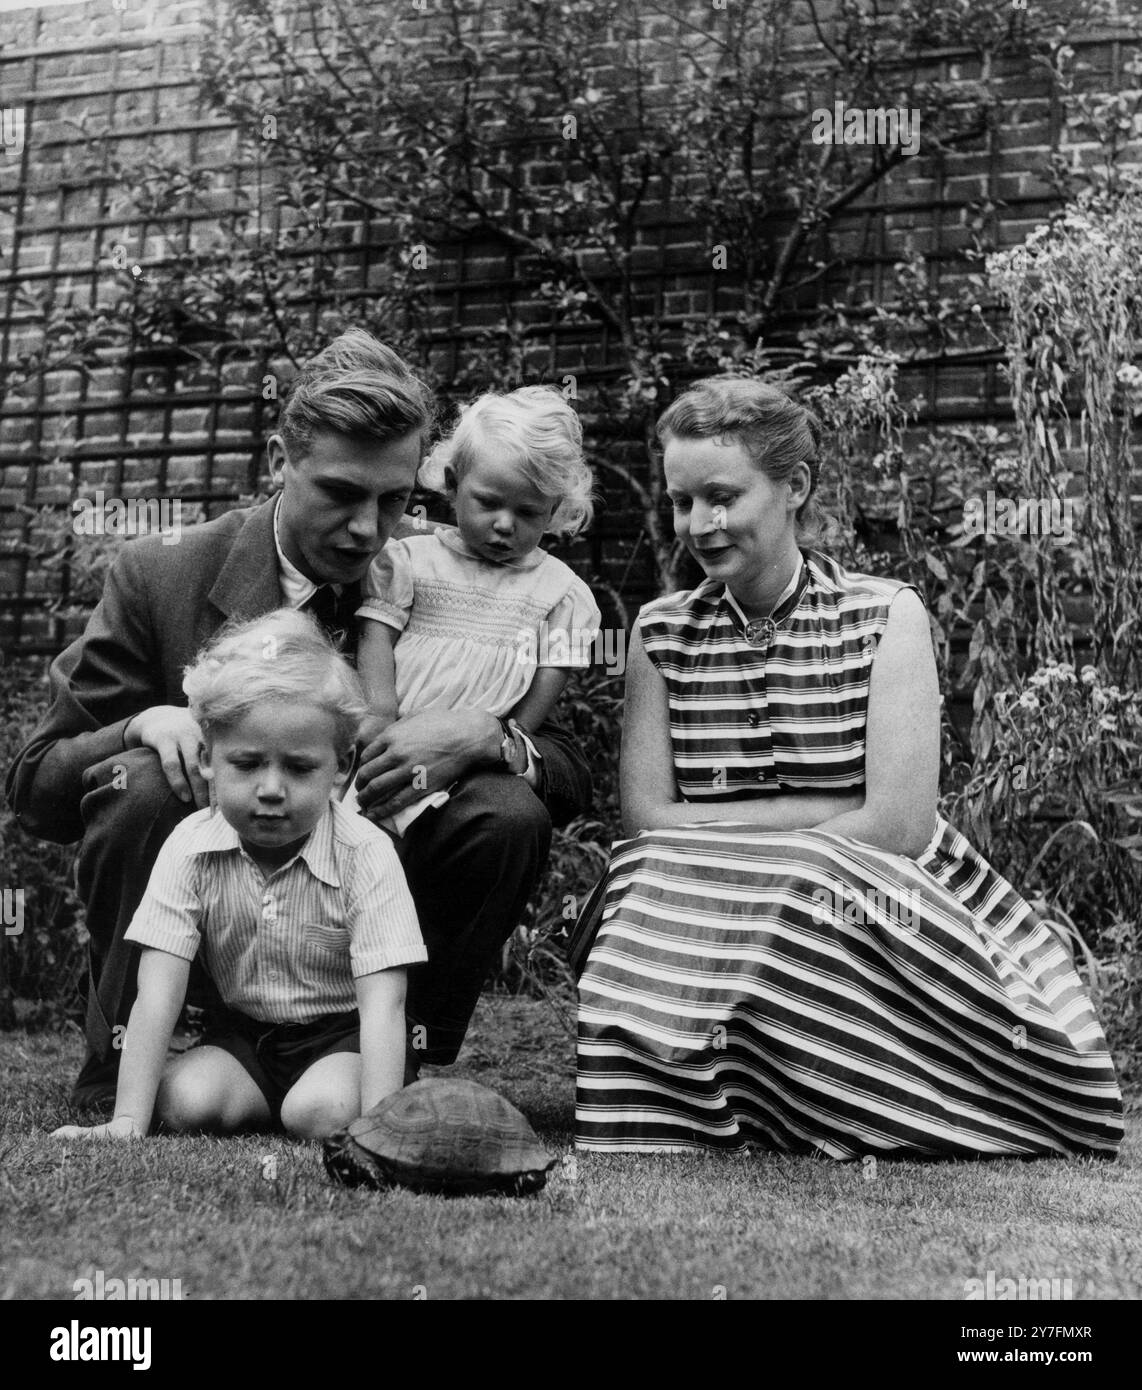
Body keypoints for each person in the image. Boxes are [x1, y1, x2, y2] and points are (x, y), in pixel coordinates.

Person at [6, 328, 592, 1108]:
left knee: (506, 808)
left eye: (394, 501)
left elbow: (567, 775)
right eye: (343, 495)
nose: (368, 530)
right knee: (141, 781)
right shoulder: (163, 571)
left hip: (364, 919)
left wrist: (488, 735)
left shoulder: (443, 573)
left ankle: (391, 1060)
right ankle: (127, 1061)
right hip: (207, 920)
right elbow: (36, 789)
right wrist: (143, 724)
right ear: (281, 463)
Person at [575, 376, 1123, 1159]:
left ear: (794, 486)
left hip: (881, 908)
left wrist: (754, 842)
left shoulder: (883, 615)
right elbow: (647, 822)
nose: (699, 524)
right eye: (681, 501)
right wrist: (823, 811)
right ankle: (695, 1111)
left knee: (808, 878)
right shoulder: (663, 633)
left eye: (722, 496)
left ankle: (869, 1098)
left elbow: (896, 828)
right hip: (709, 899)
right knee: (639, 875)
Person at [51, 609, 423, 1142]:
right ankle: (253, 1097)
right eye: (247, 764)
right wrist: (128, 1121)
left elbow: (384, 1003)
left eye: (299, 768)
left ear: (340, 767)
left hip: (346, 1038)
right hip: (244, 1036)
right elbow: (157, 991)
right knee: (185, 1103)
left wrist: (380, 1130)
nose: (271, 789)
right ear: (207, 758)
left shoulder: (364, 851)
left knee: (319, 1112)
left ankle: (336, 1101)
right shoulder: (192, 845)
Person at [353, 386, 601, 837]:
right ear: (453, 483)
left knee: (452, 832)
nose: (505, 524)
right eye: (488, 502)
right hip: (392, 736)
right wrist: (380, 711)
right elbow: (376, 635)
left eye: (528, 512)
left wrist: (507, 737)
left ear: (554, 512)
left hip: (473, 766)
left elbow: (552, 673)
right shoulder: (411, 559)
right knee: (364, 832)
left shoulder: (562, 593)